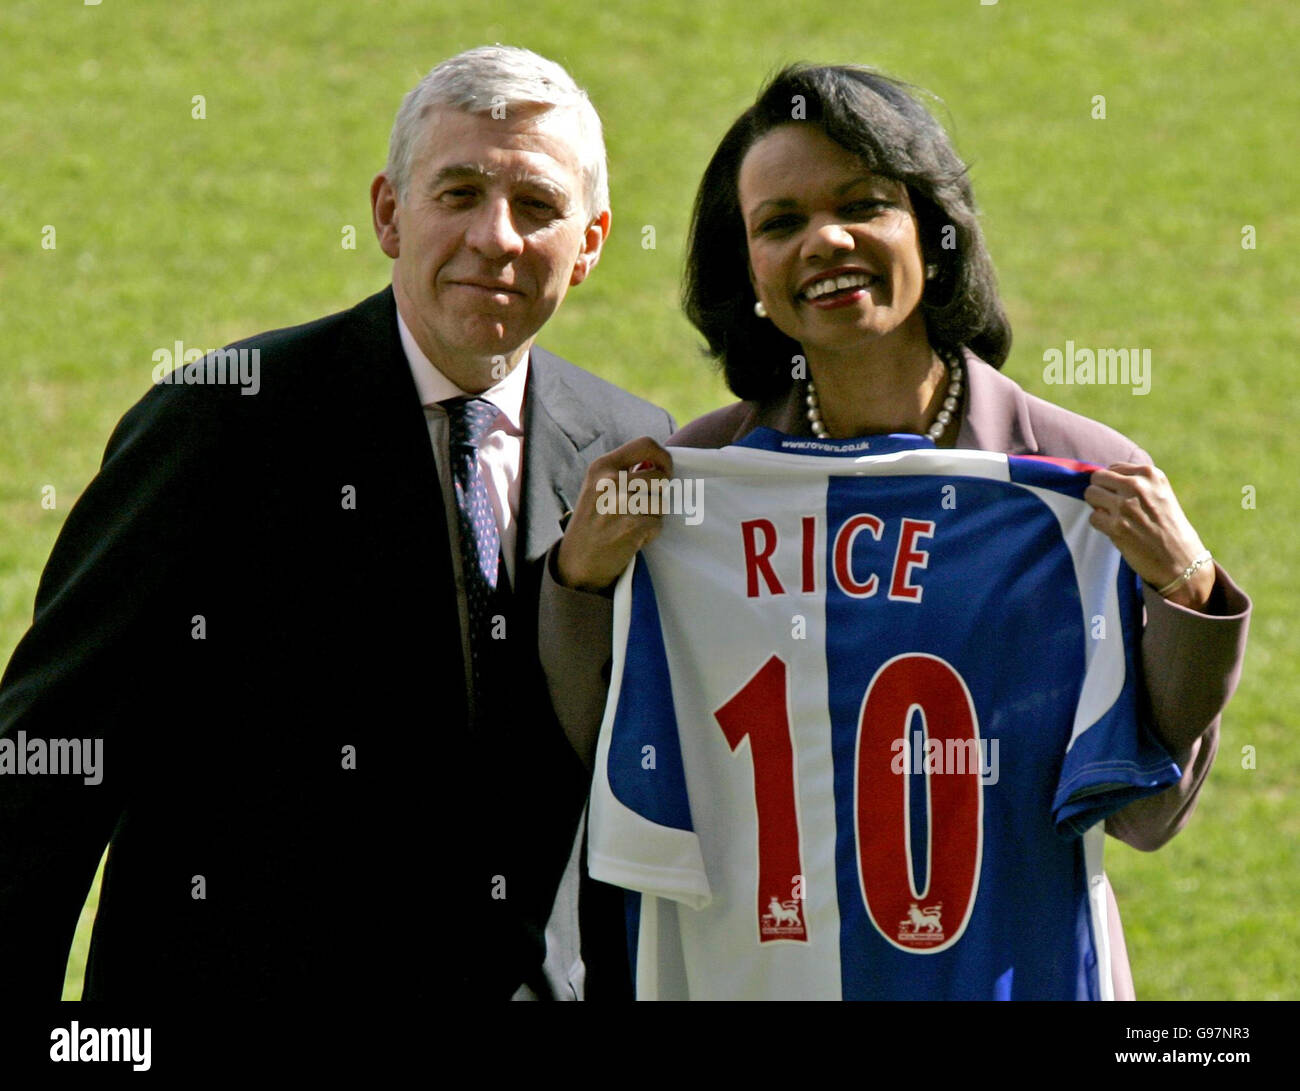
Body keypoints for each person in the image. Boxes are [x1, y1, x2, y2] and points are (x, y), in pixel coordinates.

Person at [548, 63, 1251, 999]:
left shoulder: (1071, 477)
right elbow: (608, 752)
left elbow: (1149, 812)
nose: (826, 241)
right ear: (748, 268)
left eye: (865, 204)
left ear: (934, 228)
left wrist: (1190, 592)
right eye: (780, 223)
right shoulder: (695, 484)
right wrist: (582, 581)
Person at [0, 45, 673, 1001]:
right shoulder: (219, 419)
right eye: (460, 192)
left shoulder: (631, 447)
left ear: (593, 240)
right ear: (390, 213)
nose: (498, 236)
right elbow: (53, 758)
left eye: (538, 206)